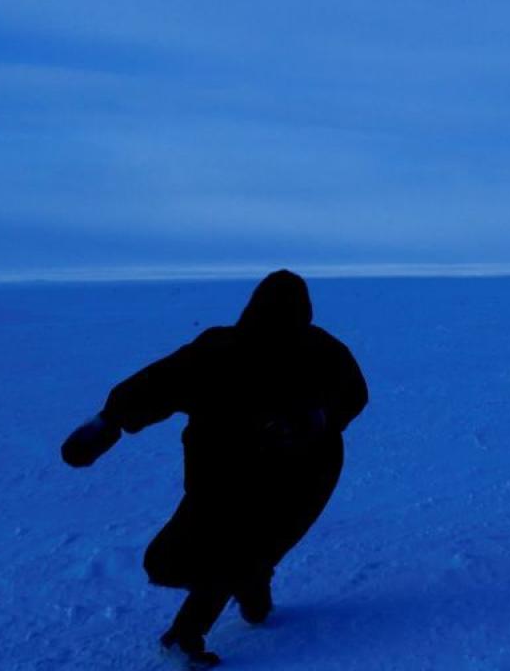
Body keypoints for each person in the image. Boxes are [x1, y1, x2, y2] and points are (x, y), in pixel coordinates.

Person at [60, 270, 368, 668]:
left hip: (295, 479)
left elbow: (353, 394)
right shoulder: (220, 348)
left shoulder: (320, 351)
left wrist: (315, 420)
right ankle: (250, 584)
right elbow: (159, 383)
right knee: (176, 559)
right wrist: (109, 421)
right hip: (219, 477)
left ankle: (185, 633)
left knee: (242, 552)